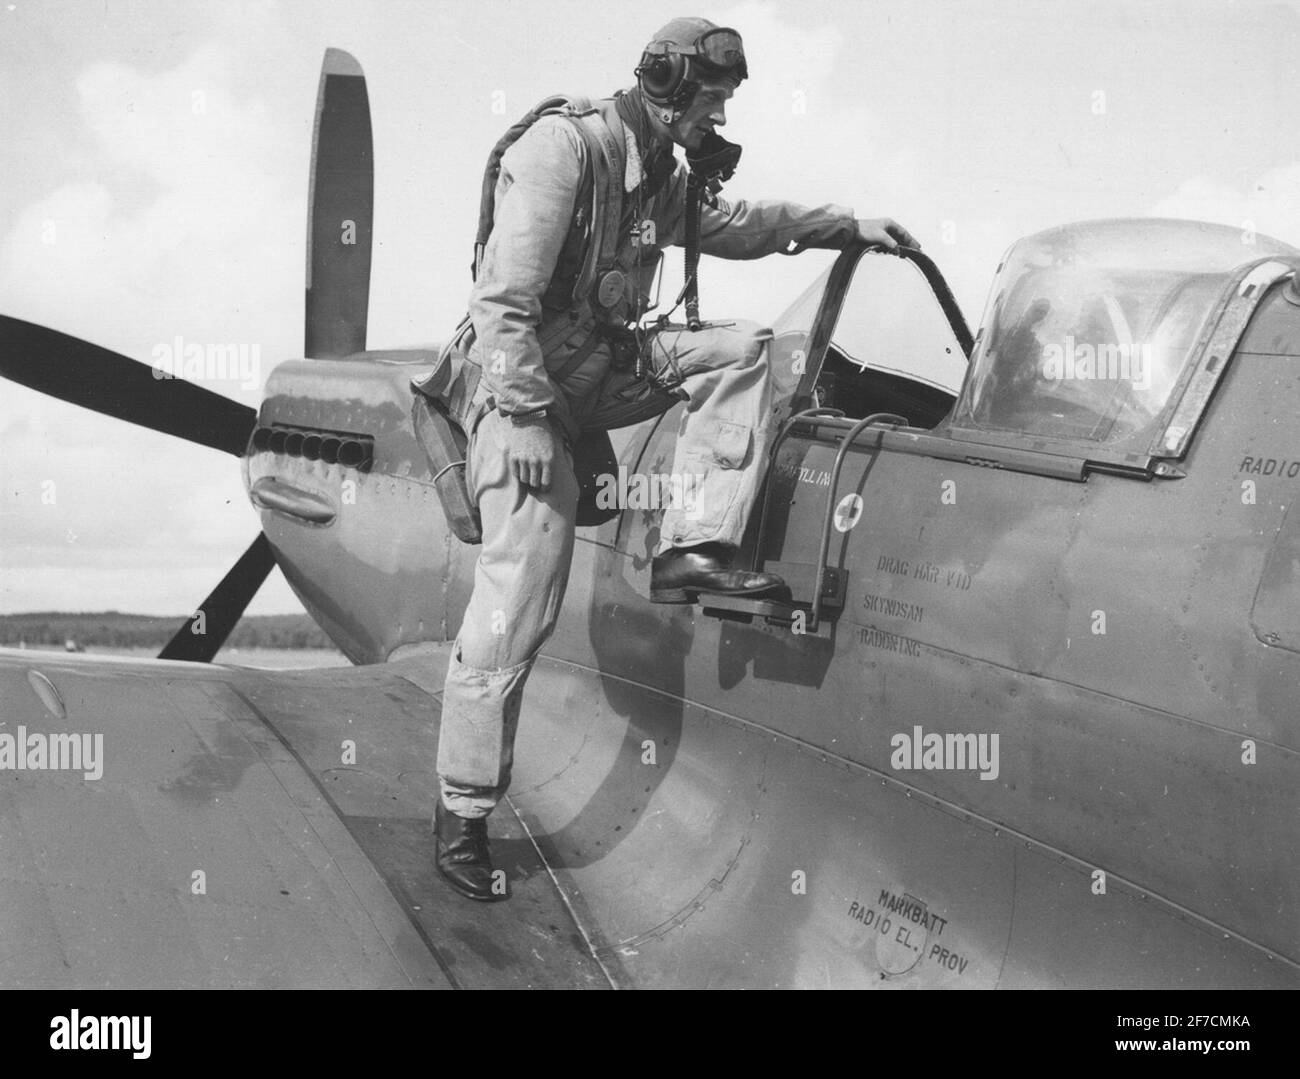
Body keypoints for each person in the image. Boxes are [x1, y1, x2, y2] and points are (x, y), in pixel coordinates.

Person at [433, 17, 917, 900]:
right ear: (666, 86)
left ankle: (694, 545)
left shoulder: (662, 172)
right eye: (713, 98)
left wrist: (847, 224)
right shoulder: (563, 151)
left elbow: (742, 225)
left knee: (745, 347)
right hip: (519, 391)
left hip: (599, 372)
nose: (719, 116)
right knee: (519, 602)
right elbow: (501, 309)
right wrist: (536, 425)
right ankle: (463, 814)